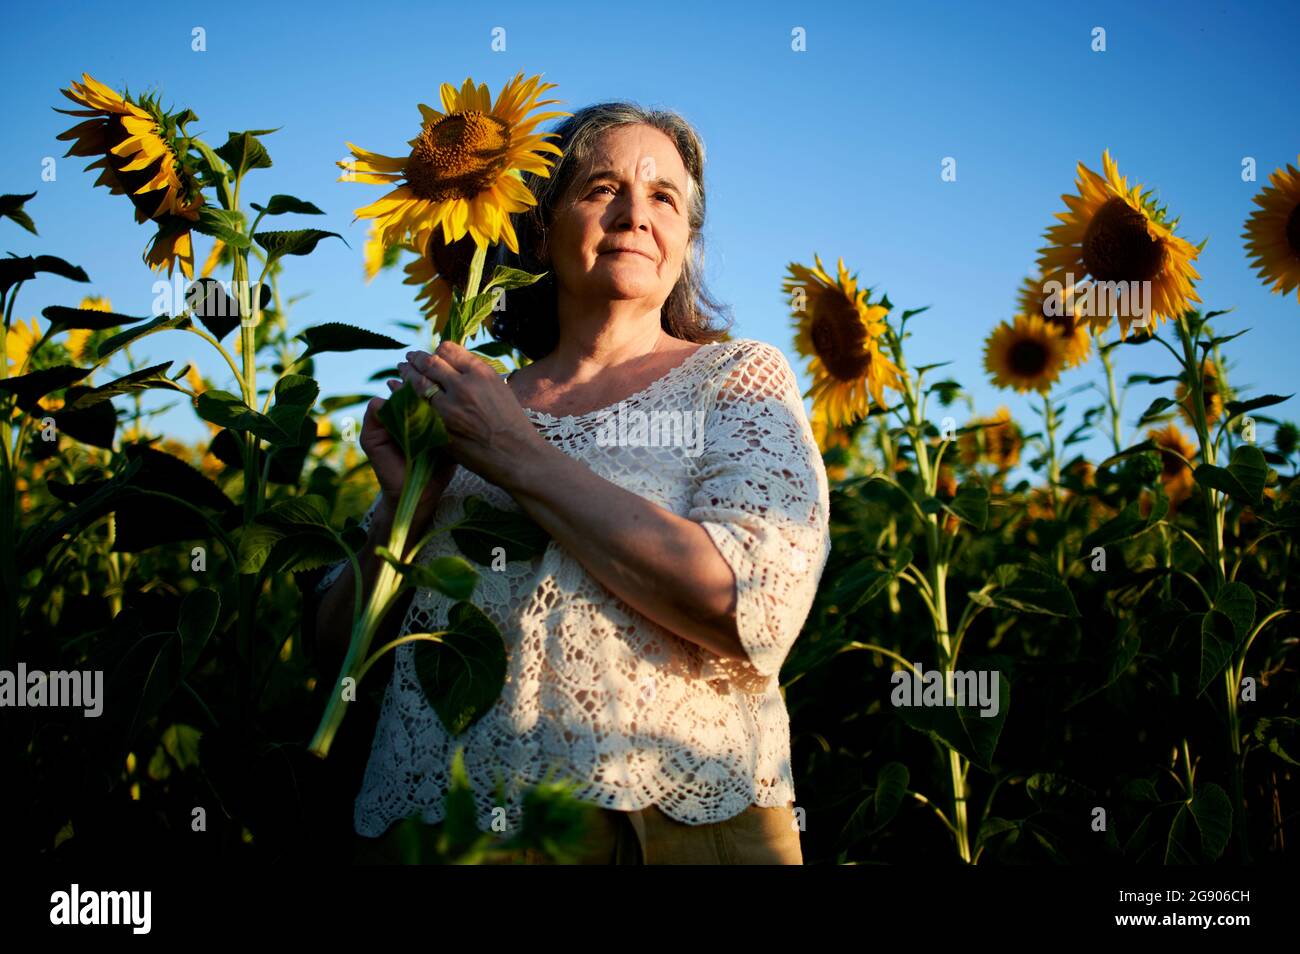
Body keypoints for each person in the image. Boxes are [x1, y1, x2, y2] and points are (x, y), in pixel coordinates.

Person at [310, 102, 831, 864]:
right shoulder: (471, 402)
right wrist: (406, 509)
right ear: (540, 222)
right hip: (452, 825)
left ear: (688, 240)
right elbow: (334, 653)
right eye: (599, 189)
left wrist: (516, 456)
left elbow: (753, 608)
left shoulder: (733, 379)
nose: (634, 215)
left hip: (669, 823)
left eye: (665, 197)